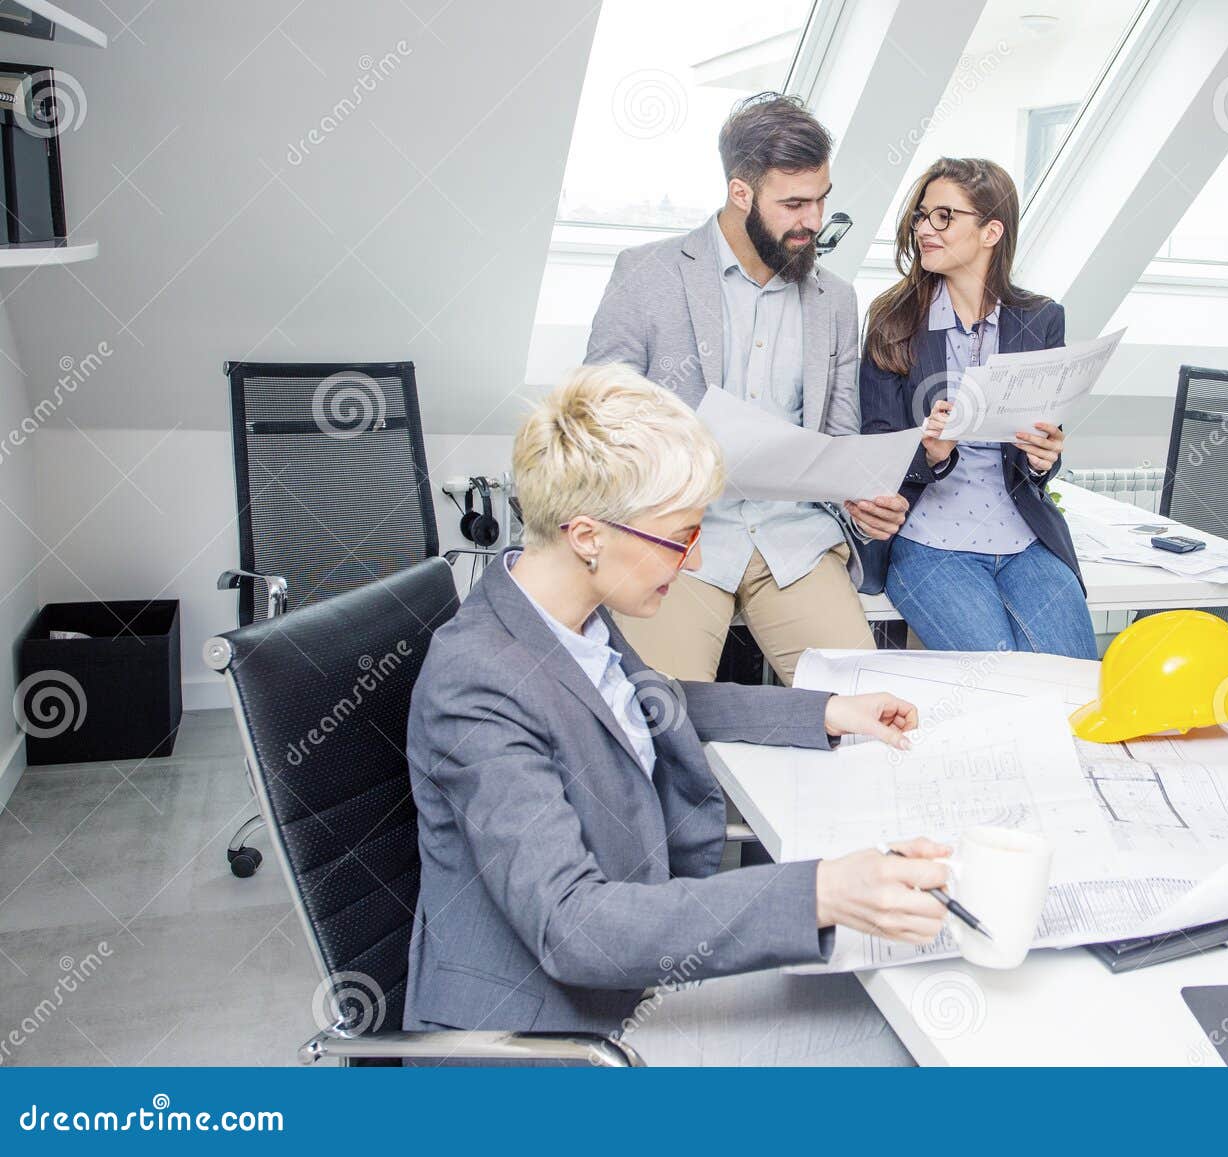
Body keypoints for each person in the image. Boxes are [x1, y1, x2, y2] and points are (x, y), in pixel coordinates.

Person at [403, 365, 949, 1065]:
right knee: (897, 1039)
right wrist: (822, 891)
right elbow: (574, 927)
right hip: (550, 1032)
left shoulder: (563, 610)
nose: (693, 563)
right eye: (680, 537)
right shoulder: (479, 684)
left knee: (879, 1000)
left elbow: (648, 699)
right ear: (588, 535)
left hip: (627, 972)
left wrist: (827, 711)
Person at [584, 91, 907, 686]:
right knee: (659, 716)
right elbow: (598, 420)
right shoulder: (647, 274)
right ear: (740, 192)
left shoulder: (835, 299)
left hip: (793, 538)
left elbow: (840, 439)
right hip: (677, 536)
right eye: (794, 204)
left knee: (872, 704)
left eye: (821, 199)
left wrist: (859, 500)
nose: (813, 221)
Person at [858, 157, 1096, 659]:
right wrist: (931, 454)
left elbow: (1038, 453)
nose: (925, 229)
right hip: (929, 540)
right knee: (1001, 677)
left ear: (991, 231)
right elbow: (875, 449)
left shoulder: (1040, 319)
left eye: (944, 217)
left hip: (1024, 539)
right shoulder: (892, 320)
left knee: (1076, 679)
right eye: (922, 216)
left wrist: (1043, 458)